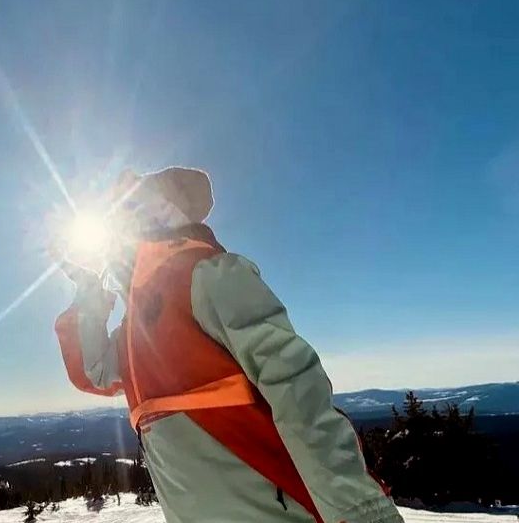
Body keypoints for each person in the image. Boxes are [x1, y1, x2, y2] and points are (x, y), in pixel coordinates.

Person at [53, 167, 403, 523]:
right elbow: (94, 371)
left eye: (124, 214)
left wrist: (362, 512)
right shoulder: (136, 324)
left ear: (157, 212)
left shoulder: (210, 272)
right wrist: (88, 290)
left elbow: (297, 387)